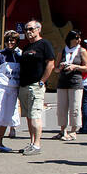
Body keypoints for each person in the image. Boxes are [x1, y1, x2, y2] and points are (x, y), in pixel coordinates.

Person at [16, 20, 56, 155]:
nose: (28, 32)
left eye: (31, 29)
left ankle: (37, 145)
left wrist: (42, 81)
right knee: (28, 116)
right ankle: (32, 142)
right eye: (26, 29)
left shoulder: (44, 44)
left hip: (35, 86)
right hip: (24, 86)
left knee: (35, 116)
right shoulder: (27, 47)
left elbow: (50, 63)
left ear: (38, 29)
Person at [0, 30, 22, 152]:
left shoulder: (19, 56)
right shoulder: (0, 55)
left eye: (12, 40)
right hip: (0, 87)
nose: (10, 43)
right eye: (8, 40)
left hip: (13, 88)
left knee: (7, 116)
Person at [55, 30, 87, 141]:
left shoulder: (82, 51)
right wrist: (60, 67)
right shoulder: (62, 51)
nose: (79, 40)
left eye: (79, 38)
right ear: (70, 39)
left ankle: (73, 131)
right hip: (62, 82)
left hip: (76, 83)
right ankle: (62, 130)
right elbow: (55, 69)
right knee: (61, 108)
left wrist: (75, 66)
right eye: (77, 38)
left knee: (75, 108)